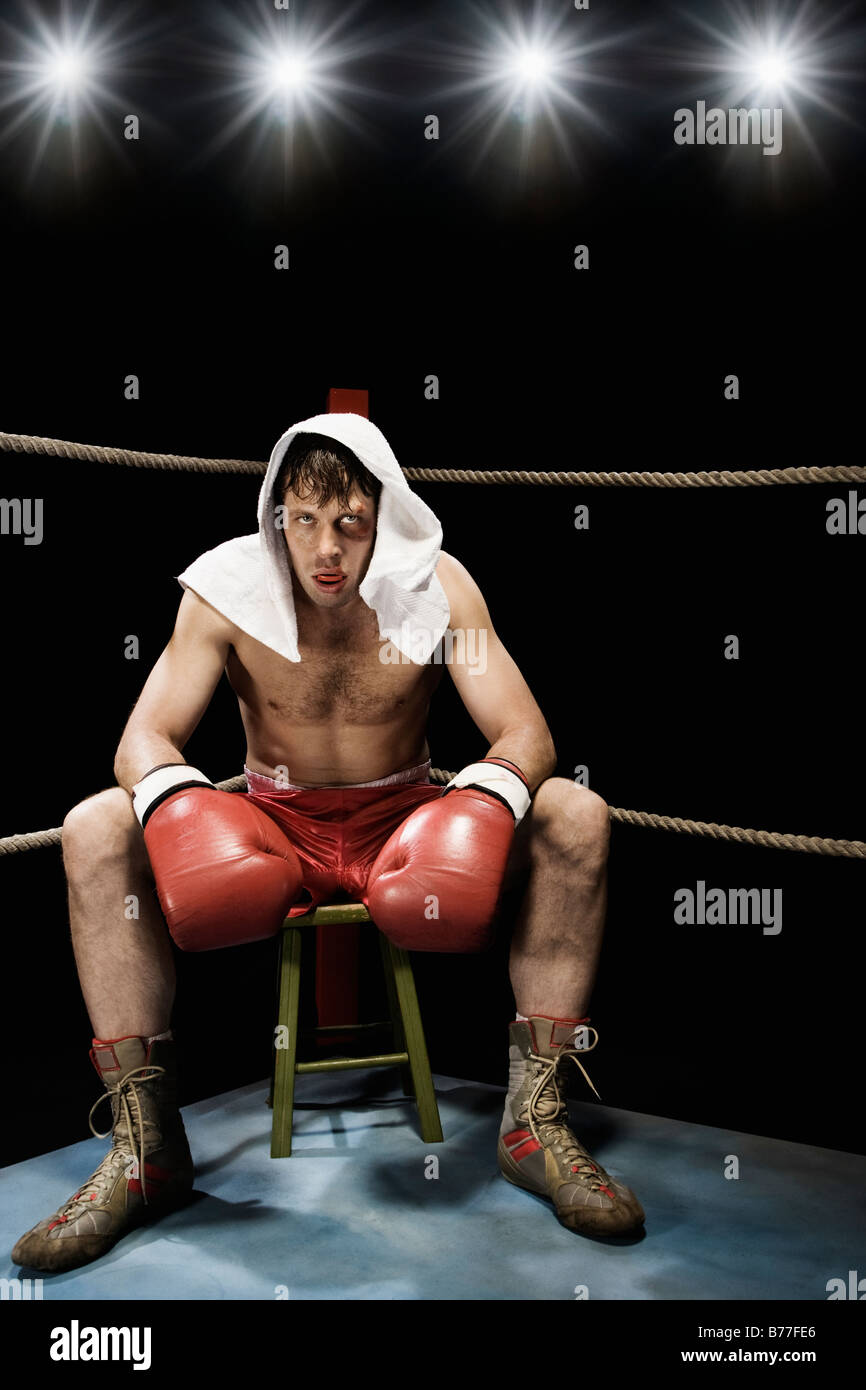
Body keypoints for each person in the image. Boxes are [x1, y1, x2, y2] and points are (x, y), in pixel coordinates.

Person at [12, 412, 644, 1274]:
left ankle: (536, 1124)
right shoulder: (225, 591)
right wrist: (184, 811)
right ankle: (144, 1151)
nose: (327, 550)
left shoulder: (438, 587)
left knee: (576, 813)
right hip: (273, 822)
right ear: (277, 514)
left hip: (404, 820)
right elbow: (144, 740)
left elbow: (525, 736)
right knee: (95, 824)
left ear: (381, 516)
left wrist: (483, 806)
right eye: (305, 521)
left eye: (349, 522)